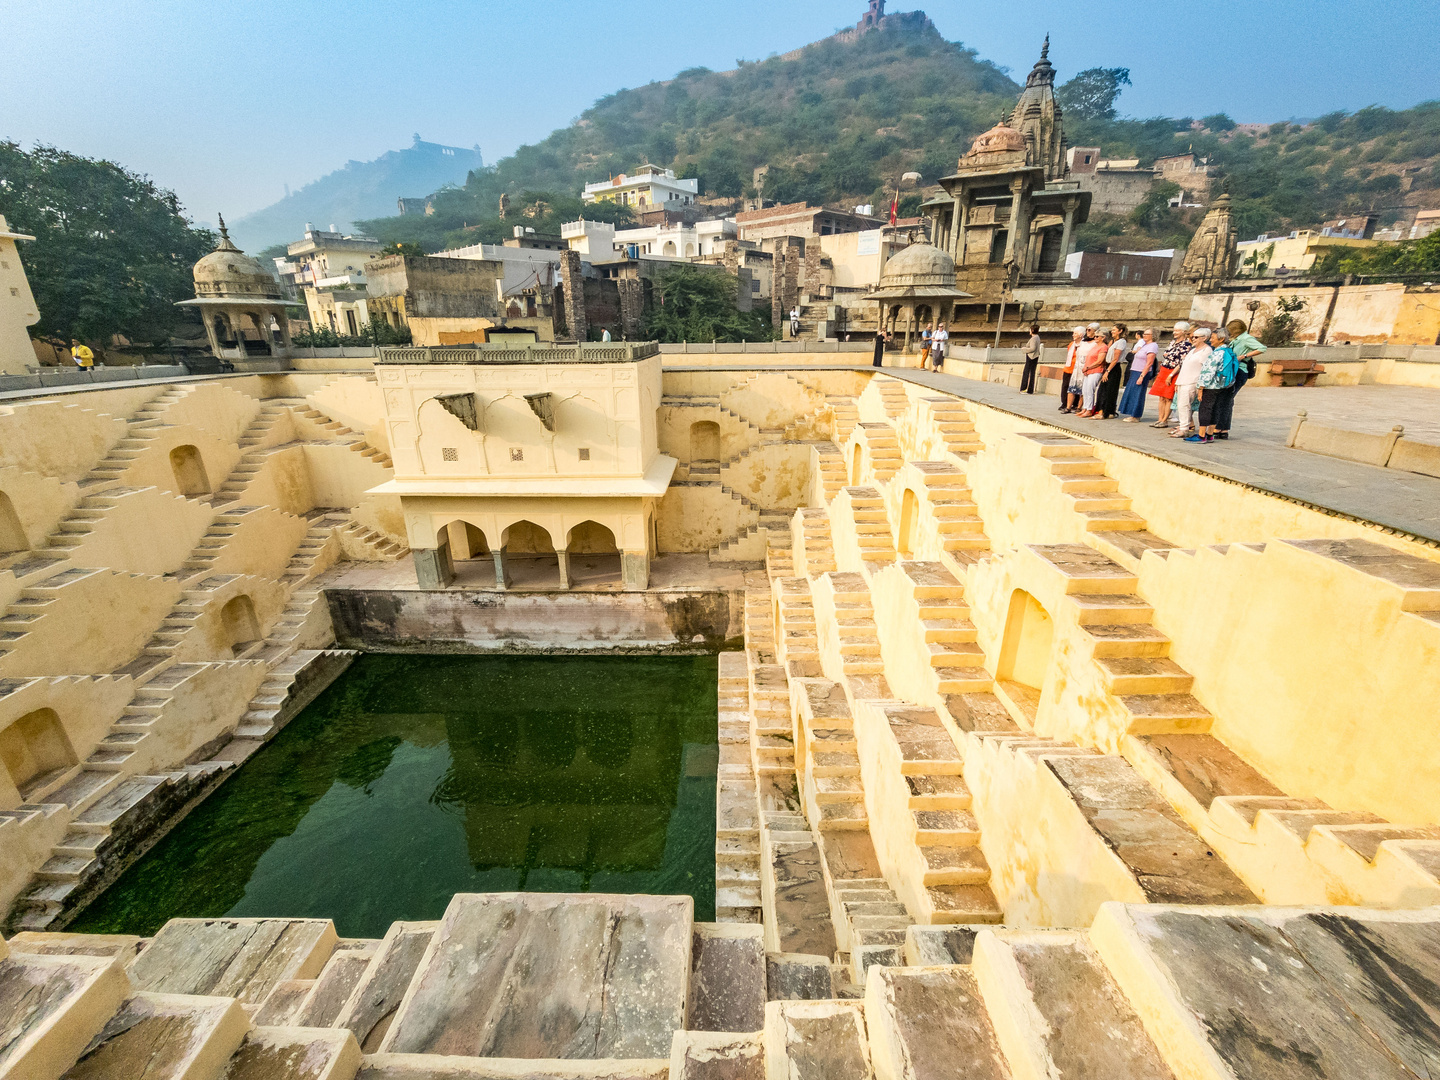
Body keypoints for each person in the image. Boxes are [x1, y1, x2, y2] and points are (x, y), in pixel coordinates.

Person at [1188, 327, 1238, 444]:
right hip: (1223, 386)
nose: (1211, 340)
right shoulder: (1229, 352)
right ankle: (1210, 434)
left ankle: (1201, 435)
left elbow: (1208, 372)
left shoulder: (1217, 354)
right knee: (1216, 408)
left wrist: (1201, 388)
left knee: (1205, 408)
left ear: (1221, 339)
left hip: (1211, 386)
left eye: (1213, 338)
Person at [1220, 319, 1268, 439]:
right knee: (1226, 399)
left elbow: (1262, 348)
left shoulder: (1246, 338)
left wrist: (1245, 356)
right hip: (1233, 369)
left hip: (1240, 370)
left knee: (1227, 399)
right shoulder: (1236, 339)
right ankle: (1222, 428)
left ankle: (1222, 428)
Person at [1149, 321, 1192, 429]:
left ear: (1184, 332)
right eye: (1174, 330)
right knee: (1161, 396)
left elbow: (1181, 362)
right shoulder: (1172, 342)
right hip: (1164, 369)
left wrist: (1171, 375)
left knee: (1168, 397)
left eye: (1177, 330)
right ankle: (1159, 419)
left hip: (1174, 371)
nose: (1174, 332)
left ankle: (1164, 420)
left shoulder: (1186, 345)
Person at [1171, 327, 1210, 438]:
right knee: (1180, 405)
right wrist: (1178, 382)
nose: (1193, 339)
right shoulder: (1193, 350)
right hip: (1183, 380)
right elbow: (1184, 367)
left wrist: (1200, 385)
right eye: (1192, 337)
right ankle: (1183, 426)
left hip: (1192, 381)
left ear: (1204, 338)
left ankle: (1184, 428)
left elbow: (1204, 369)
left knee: (1185, 405)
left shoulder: (1206, 351)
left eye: (1196, 337)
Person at [1119, 328, 1159, 421]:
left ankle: (1136, 415)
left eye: (1147, 334)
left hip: (1141, 372)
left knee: (1138, 393)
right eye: (1144, 334)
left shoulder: (1152, 346)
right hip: (1135, 370)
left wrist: (1142, 376)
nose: (1144, 335)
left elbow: (1149, 363)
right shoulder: (1145, 345)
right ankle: (1131, 413)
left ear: (1153, 336)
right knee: (1131, 392)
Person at [1097, 324, 1129, 419]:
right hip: (1108, 366)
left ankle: (1106, 412)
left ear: (1120, 331)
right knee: (1103, 389)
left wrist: (1107, 371)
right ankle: (1104, 410)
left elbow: (1115, 359)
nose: (1112, 331)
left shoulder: (1121, 342)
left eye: (1114, 330)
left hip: (1113, 368)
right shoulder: (1112, 341)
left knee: (1109, 391)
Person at [1078, 329, 1109, 417]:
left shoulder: (1103, 347)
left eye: (1097, 336)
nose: (1095, 338)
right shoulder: (1095, 346)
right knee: (1085, 390)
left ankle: (1089, 409)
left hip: (1096, 370)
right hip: (1088, 371)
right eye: (1094, 336)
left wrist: (1088, 367)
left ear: (1103, 338)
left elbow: (1099, 361)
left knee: (1090, 390)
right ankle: (1085, 408)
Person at [1058, 326, 1084, 413]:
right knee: (1065, 386)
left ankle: (1075, 404)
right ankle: (1064, 403)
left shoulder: (1084, 345)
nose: (1073, 335)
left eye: (1075, 333)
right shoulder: (1071, 344)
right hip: (1068, 368)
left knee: (1076, 387)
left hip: (1078, 369)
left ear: (1081, 335)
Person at [1020, 323, 1042, 394]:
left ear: (1032, 330)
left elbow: (1033, 348)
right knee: (1032, 373)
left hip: (1031, 357)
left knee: (1027, 372)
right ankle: (1030, 390)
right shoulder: (1037, 337)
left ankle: (1024, 388)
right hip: (1035, 356)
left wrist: (1024, 349)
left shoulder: (1033, 338)